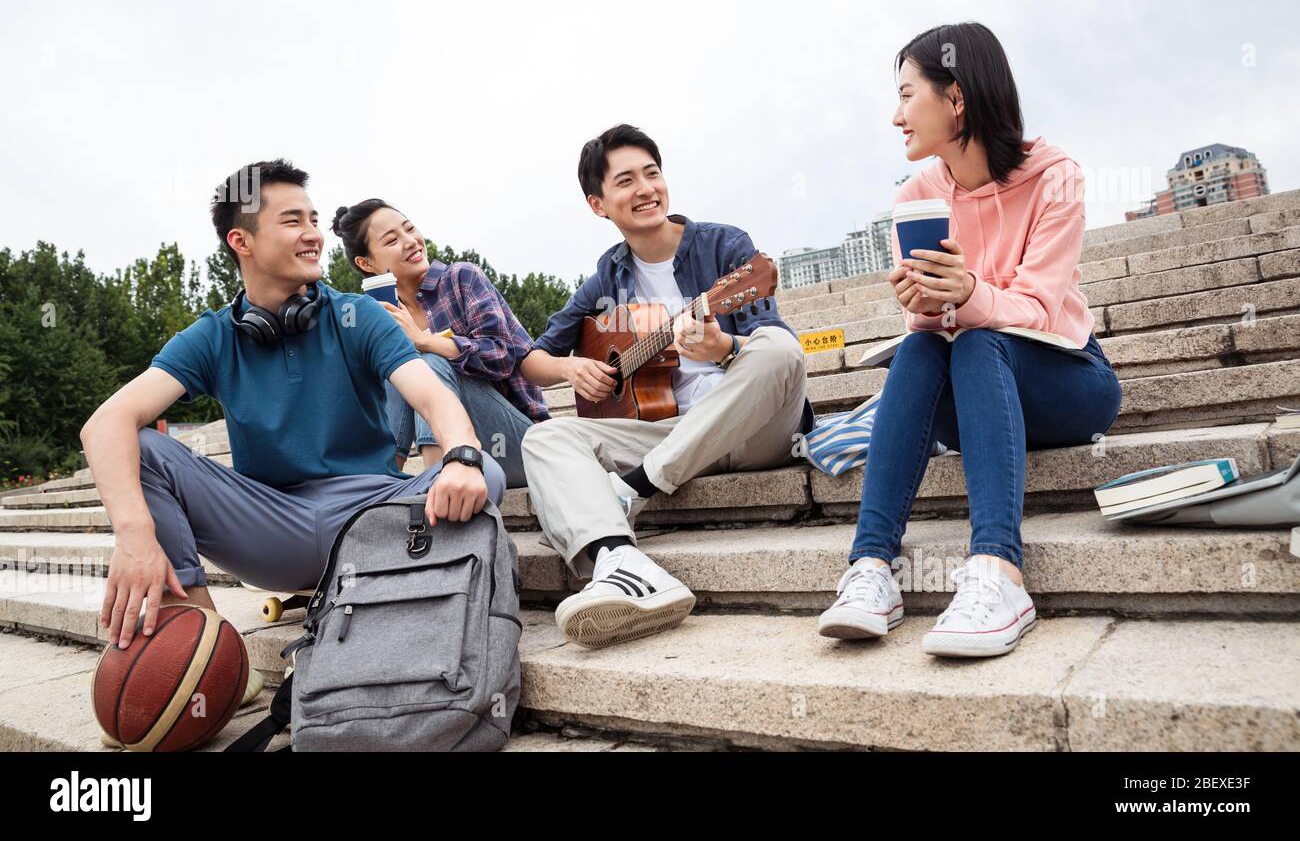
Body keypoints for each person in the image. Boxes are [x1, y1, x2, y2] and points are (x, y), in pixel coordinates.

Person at [80, 160, 503, 676]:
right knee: (139, 449)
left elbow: (435, 399)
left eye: (314, 219)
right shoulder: (212, 336)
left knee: (486, 470)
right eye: (292, 221)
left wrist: (460, 457)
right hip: (272, 525)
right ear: (243, 241)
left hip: (375, 514)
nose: (314, 235)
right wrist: (134, 535)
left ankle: (389, 599)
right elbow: (104, 423)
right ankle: (206, 656)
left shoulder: (358, 314)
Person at [817, 23, 1123, 657]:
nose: (896, 115)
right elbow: (938, 327)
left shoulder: (1054, 175)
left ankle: (999, 573)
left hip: (1067, 382)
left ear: (955, 98)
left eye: (907, 95)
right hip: (972, 391)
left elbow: (1038, 308)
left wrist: (968, 292)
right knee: (925, 346)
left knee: (981, 341)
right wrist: (922, 306)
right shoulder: (917, 195)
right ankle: (872, 568)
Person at [518, 124, 815, 649]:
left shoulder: (725, 245)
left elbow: (775, 348)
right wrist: (570, 371)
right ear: (598, 204)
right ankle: (619, 560)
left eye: (652, 173)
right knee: (544, 438)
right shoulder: (607, 275)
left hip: (754, 429)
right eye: (626, 180)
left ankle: (633, 489)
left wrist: (723, 349)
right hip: (673, 433)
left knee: (778, 347)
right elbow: (532, 360)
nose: (646, 189)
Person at [331, 199, 547, 489]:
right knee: (399, 367)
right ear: (366, 263)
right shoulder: (379, 314)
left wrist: (424, 341)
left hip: (526, 449)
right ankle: (379, 484)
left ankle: (435, 480)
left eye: (409, 229)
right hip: (476, 462)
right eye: (393, 240)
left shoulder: (461, 278)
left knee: (426, 364)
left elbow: (501, 356)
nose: (410, 242)